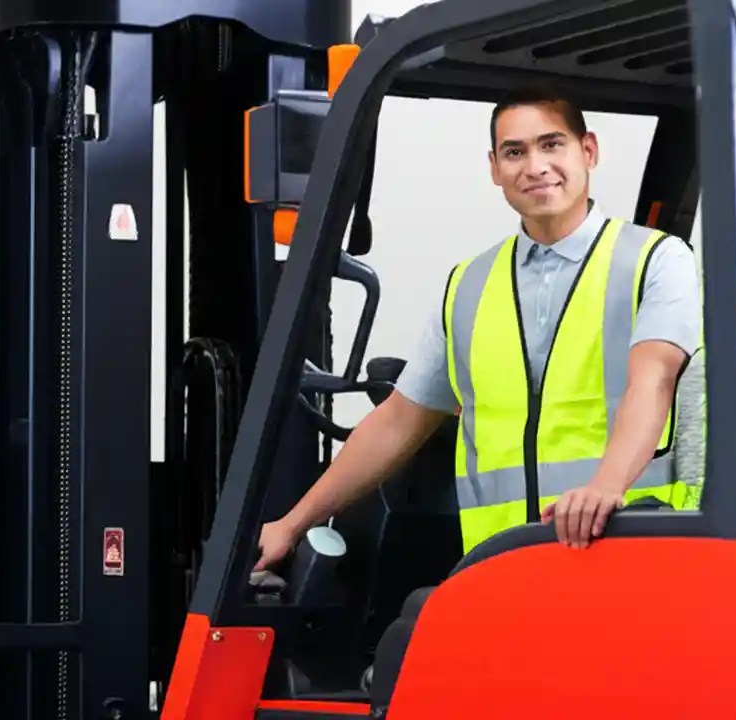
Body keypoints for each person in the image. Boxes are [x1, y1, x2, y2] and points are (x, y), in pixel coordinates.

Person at [255, 84, 702, 571]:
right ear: (494, 168)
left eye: (551, 144)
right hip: (500, 568)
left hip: (623, 554)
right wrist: (291, 525)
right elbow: (398, 420)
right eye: (515, 152)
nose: (535, 166)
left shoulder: (655, 260)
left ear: (588, 151)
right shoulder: (469, 284)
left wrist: (605, 487)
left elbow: (653, 380)